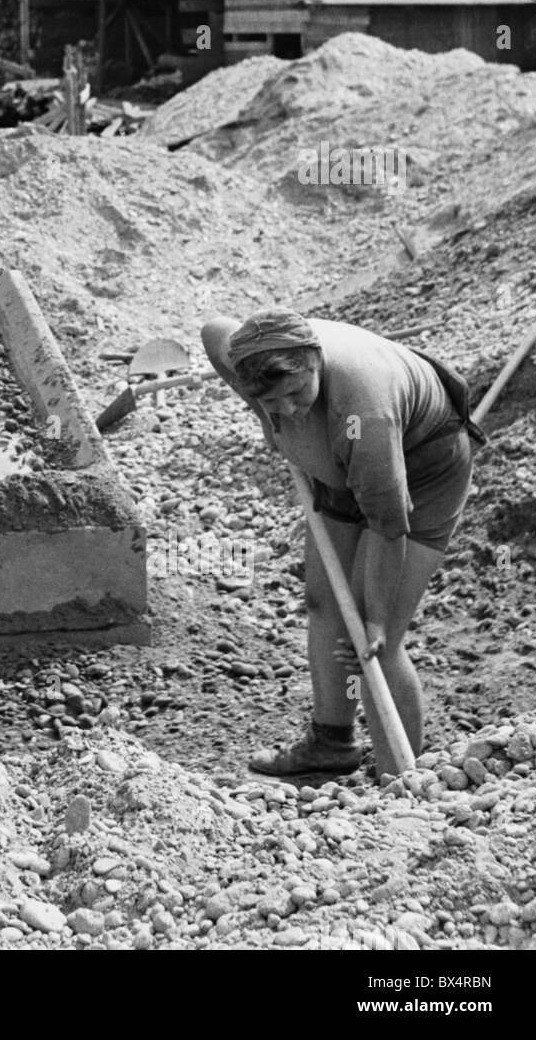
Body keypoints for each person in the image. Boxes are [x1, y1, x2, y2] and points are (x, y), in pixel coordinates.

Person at [200, 308, 484, 777]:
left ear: (315, 360)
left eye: (295, 393)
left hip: (423, 467)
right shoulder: (256, 358)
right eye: (274, 402)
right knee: (325, 604)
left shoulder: (361, 415)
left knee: (373, 641)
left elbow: (389, 527)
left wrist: (374, 617)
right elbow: (214, 331)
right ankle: (332, 744)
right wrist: (266, 418)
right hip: (340, 463)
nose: (289, 409)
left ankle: (401, 776)